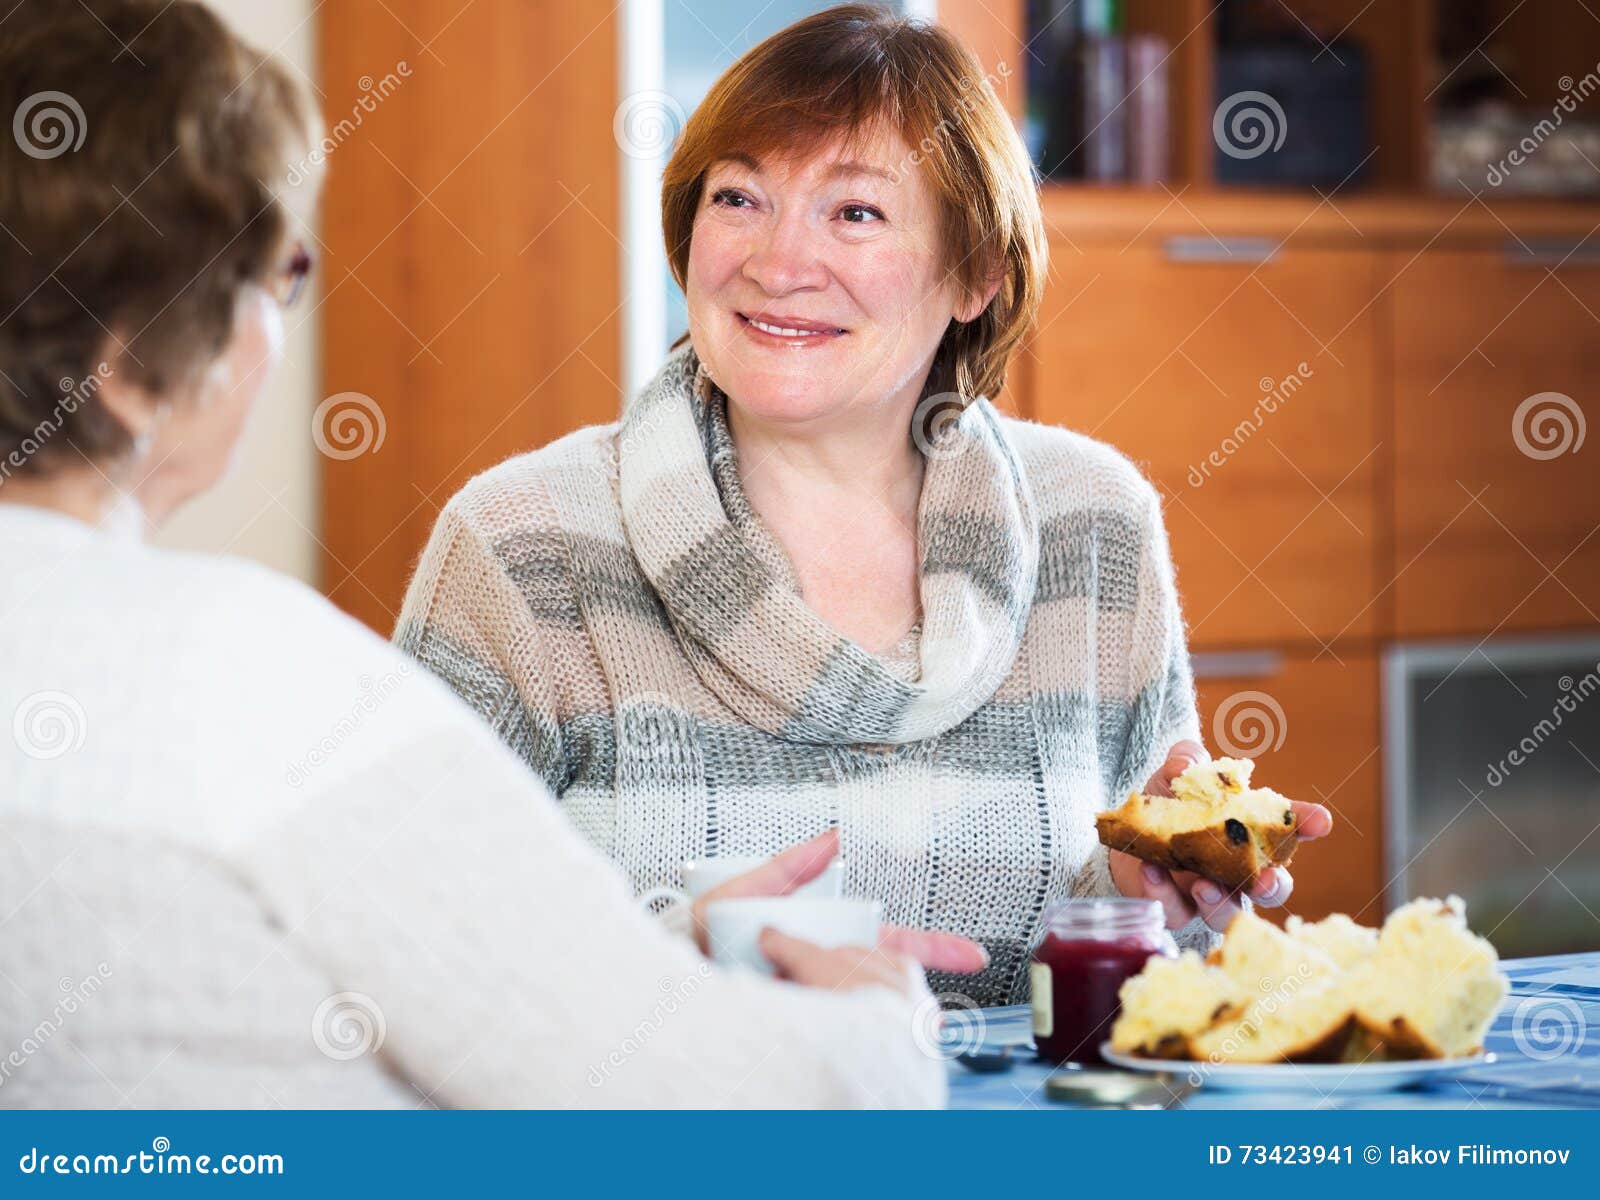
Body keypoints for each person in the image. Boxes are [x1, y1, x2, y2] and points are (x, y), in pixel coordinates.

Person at [0, 0, 981, 1110]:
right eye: (276, 278)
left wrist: (639, 949)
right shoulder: (251, 682)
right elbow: (701, 1096)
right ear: (128, 369)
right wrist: (884, 1035)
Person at [396, 4, 1334, 1006]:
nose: (776, 264)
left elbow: (1160, 990)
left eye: (853, 213)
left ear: (976, 271)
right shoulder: (523, 542)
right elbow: (396, 931)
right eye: (739, 198)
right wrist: (670, 963)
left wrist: (1143, 891)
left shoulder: (1091, 525)